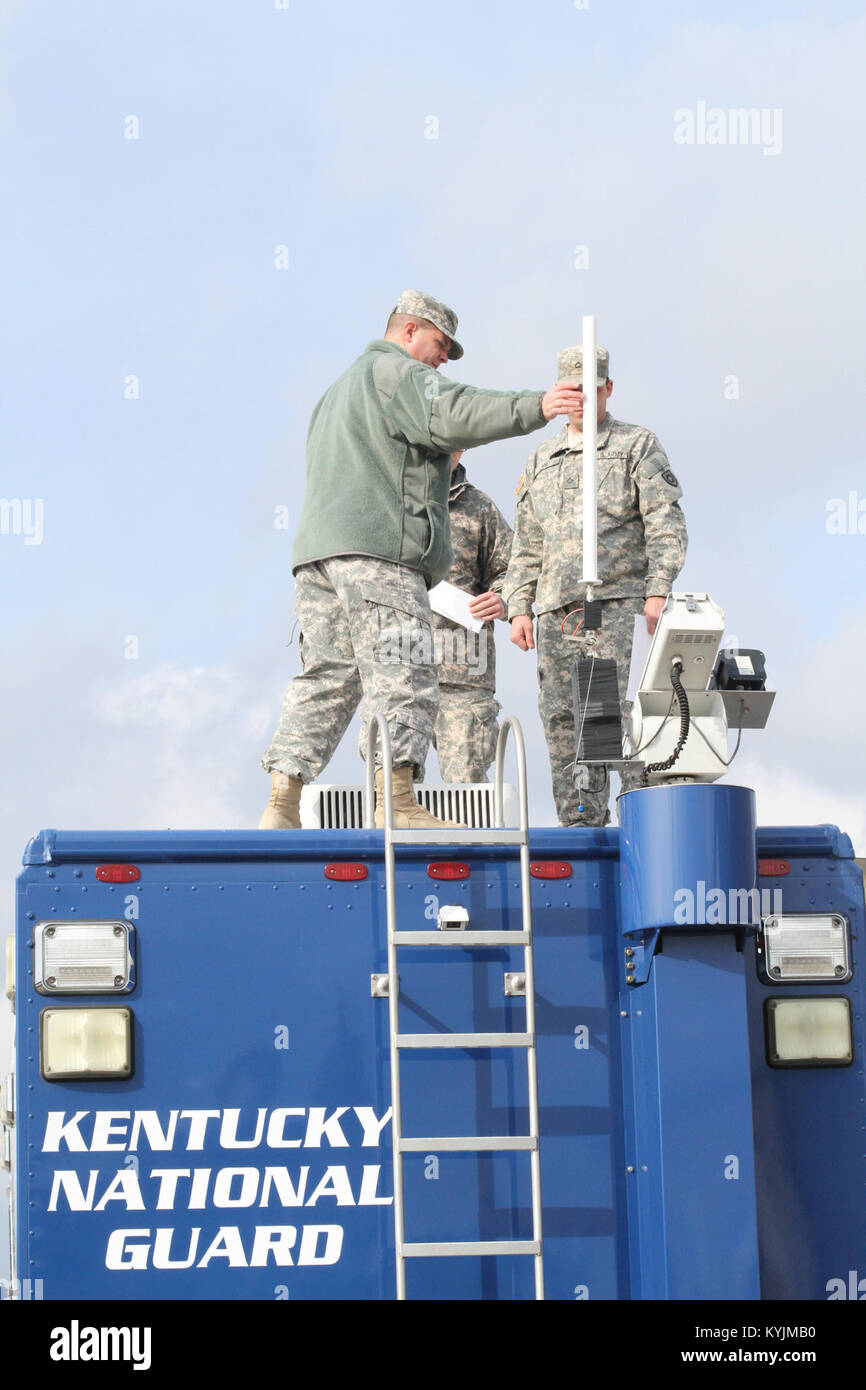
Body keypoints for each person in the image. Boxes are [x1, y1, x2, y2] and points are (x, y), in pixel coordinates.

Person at [259, 291, 583, 830]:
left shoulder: (336, 392)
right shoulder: (395, 375)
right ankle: (399, 802)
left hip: (319, 561)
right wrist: (539, 406)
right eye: (439, 347)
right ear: (409, 331)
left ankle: (282, 802)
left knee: (328, 678)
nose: (442, 360)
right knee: (405, 671)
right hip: (379, 555)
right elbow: (453, 410)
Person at [503, 344, 688, 827]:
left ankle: (643, 819)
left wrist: (658, 589)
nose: (582, 398)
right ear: (558, 393)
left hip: (615, 601)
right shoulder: (541, 458)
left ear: (608, 388)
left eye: (592, 388)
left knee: (610, 713)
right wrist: (518, 606)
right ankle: (581, 824)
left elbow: (665, 523)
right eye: (571, 390)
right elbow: (527, 542)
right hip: (556, 609)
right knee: (563, 716)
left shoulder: (635, 445)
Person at [430, 449, 513, 782]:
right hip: (397, 669)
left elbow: (514, 568)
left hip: (463, 676)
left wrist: (503, 599)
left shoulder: (480, 508)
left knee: (467, 796)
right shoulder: (386, 502)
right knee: (390, 795)